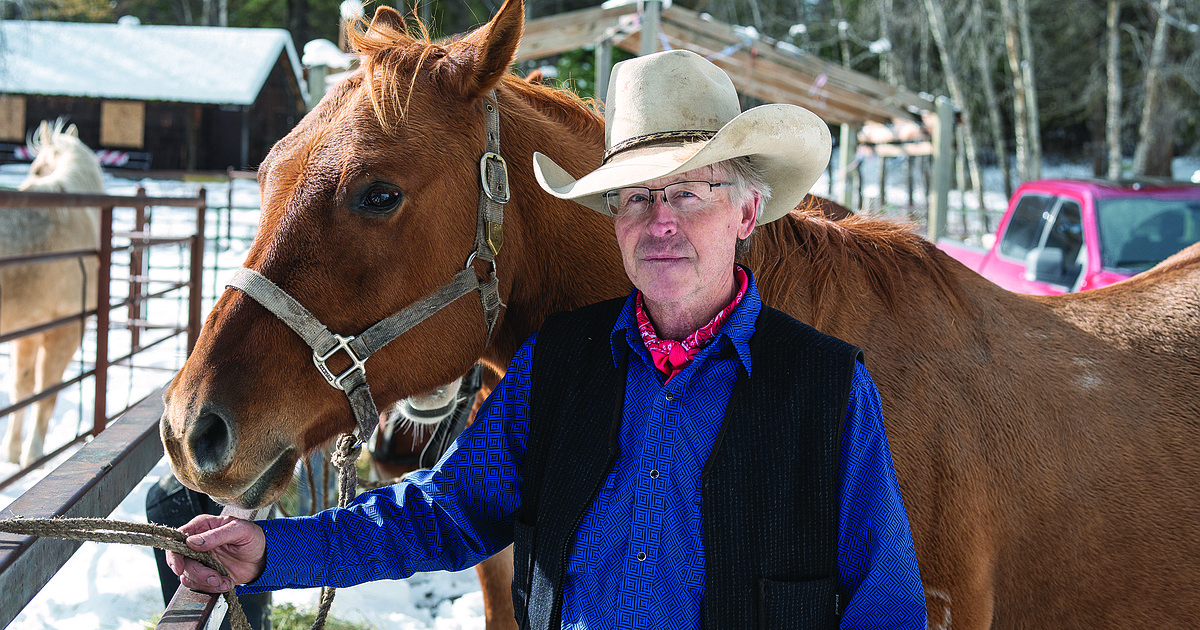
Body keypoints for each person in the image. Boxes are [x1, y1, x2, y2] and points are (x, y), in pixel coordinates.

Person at [167, 49, 927, 629]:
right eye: (636, 197)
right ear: (614, 220)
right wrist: (273, 554)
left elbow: (886, 607)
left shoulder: (828, 390)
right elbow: (446, 512)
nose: (662, 223)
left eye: (690, 193)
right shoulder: (556, 365)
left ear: (746, 212)